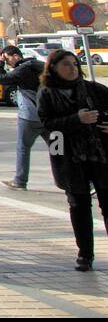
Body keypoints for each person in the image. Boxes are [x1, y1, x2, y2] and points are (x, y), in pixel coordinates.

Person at [37, 48, 108, 271]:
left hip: (100, 155)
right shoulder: (47, 93)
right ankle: (85, 254)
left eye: (75, 64)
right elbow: (48, 126)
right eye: (66, 65)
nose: (72, 69)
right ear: (54, 68)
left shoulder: (92, 90)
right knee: (78, 206)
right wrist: (76, 119)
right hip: (70, 158)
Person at [0, 44, 49, 190]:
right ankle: (82, 180)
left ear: (16, 56)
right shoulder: (42, 66)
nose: (8, 64)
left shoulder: (23, 69)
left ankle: (20, 181)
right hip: (50, 117)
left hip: (29, 117)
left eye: (7, 60)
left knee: (23, 148)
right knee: (59, 149)